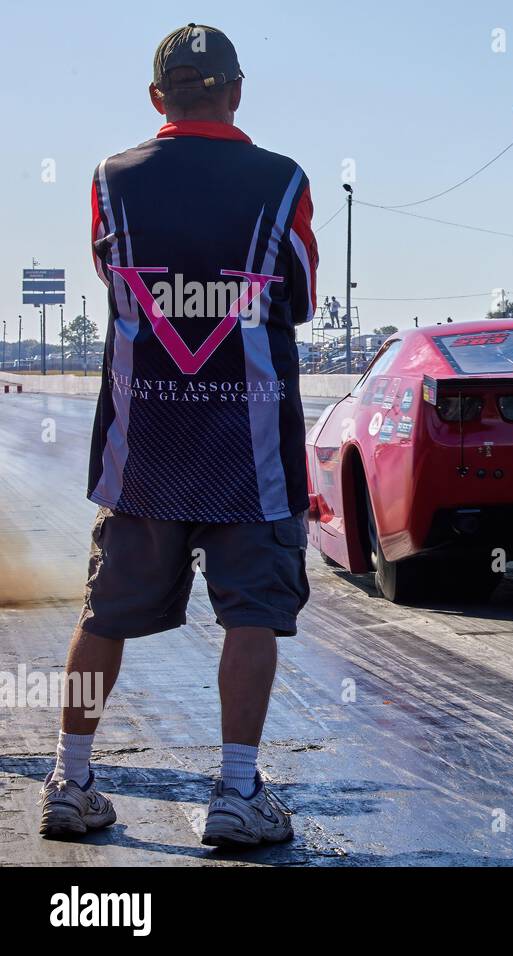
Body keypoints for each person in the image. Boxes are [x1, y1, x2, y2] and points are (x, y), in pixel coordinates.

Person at [41, 24, 316, 847]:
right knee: (252, 613)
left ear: (159, 99)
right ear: (236, 91)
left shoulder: (110, 180)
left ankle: (70, 778)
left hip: (144, 445)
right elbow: (294, 299)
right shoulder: (283, 180)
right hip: (250, 450)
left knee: (106, 611)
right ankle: (235, 793)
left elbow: (117, 280)